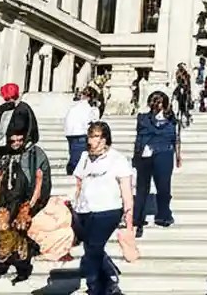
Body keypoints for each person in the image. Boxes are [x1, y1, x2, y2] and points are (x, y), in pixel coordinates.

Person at [73, 122, 135, 295]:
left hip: (108, 211)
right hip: (84, 210)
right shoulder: (85, 157)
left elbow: (127, 191)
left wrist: (129, 221)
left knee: (93, 247)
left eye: (95, 137)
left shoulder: (117, 159)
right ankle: (109, 279)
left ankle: (94, 287)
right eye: (89, 136)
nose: (90, 140)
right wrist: (73, 205)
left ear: (105, 139)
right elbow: (78, 182)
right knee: (91, 248)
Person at [0, 128, 51, 284]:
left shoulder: (34, 155)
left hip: (24, 199)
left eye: (19, 140)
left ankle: (21, 267)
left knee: (18, 231)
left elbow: (39, 182)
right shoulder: (6, 156)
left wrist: (30, 205)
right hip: (7, 198)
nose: (16, 144)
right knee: (1, 226)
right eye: (12, 141)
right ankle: (5, 260)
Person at [133, 91, 181, 237]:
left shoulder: (171, 120)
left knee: (163, 187)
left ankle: (163, 215)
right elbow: (138, 138)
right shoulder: (144, 119)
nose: (157, 105)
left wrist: (178, 155)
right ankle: (138, 220)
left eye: (159, 102)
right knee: (143, 189)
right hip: (147, 156)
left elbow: (176, 138)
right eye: (155, 102)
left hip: (164, 154)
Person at [0, 83, 39, 171]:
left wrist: (24, 145)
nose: (10, 101)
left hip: (16, 151)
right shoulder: (1, 110)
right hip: (2, 152)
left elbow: (31, 130)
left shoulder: (23, 109)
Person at [64, 86, 100, 175]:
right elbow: (94, 121)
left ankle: (71, 171)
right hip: (81, 134)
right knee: (79, 159)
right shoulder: (90, 108)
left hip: (70, 134)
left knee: (74, 155)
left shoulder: (74, 106)